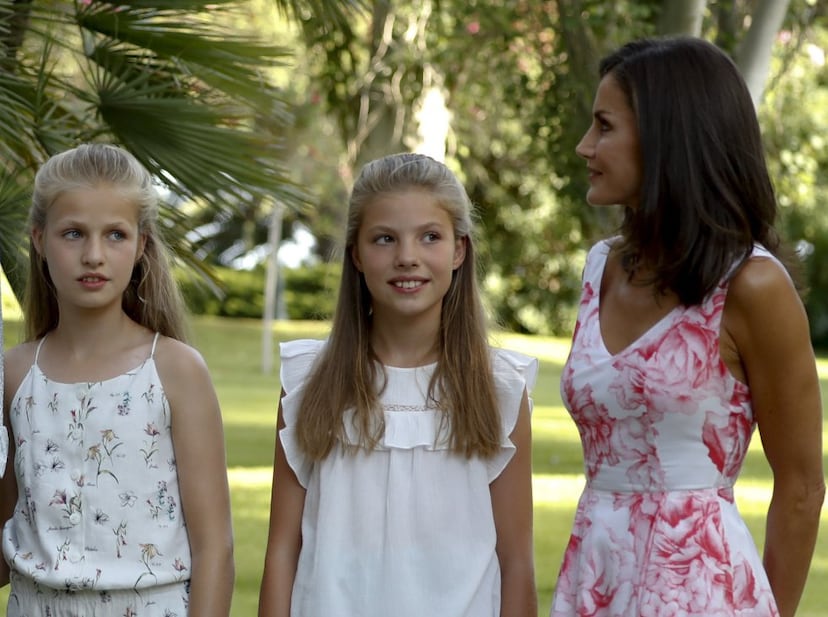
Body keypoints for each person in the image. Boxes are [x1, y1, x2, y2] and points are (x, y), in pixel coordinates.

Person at [550, 36, 825, 617]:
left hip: (702, 594)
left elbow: (801, 488)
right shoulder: (600, 267)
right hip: (593, 582)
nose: (583, 147)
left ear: (666, 137)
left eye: (604, 126)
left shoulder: (752, 286)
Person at [258, 152, 538, 617]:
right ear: (356, 253)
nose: (407, 257)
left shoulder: (500, 389)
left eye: (430, 237)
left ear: (459, 250)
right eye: (385, 239)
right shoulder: (307, 382)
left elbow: (516, 562)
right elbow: (282, 551)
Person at [0, 143, 234, 616]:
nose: (93, 255)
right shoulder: (13, 375)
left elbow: (216, 551)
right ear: (39, 240)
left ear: (141, 245)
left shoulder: (174, 370)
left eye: (114, 235)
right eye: (73, 234)